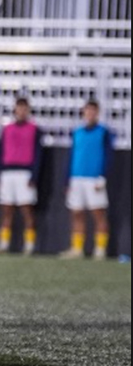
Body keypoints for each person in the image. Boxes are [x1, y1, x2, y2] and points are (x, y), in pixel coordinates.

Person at [60, 100, 113, 260]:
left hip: (94, 178)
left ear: (97, 113)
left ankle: (100, 249)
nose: (90, 114)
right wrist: (67, 179)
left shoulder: (104, 132)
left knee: (98, 214)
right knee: (77, 213)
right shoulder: (77, 132)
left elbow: (109, 156)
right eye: (87, 111)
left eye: (93, 111)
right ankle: (77, 249)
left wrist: (103, 177)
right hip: (77, 178)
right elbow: (72, 156)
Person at [0, 97, 43, 255]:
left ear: (28, 111)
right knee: (6, 210)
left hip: (25, 173)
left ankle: (29, 245)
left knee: (26, 210)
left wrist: (34, 176)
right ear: (15, 110)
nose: (21, 111)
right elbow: (0, 153)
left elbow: (38, 155)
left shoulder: (35, 129)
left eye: (24, 109)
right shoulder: (7, 129)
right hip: (7, 172)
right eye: (19, 108)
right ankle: (3, 244)